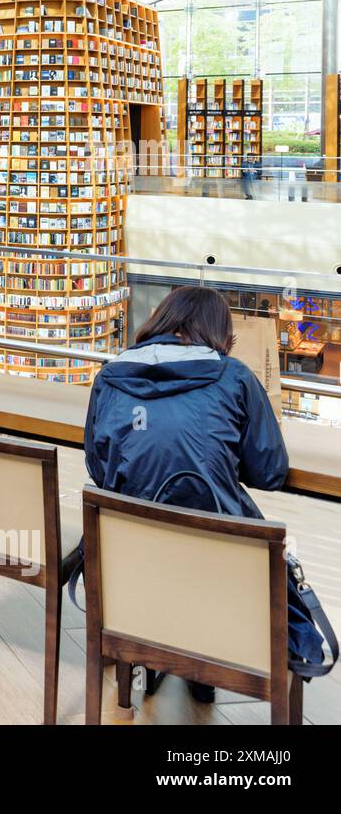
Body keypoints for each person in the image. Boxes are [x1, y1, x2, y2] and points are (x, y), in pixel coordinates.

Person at [84, 285, 325, 699]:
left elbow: (100, 468)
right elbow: (270, 471)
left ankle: (148, 647)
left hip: (132, 565)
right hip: (221, 571)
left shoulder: (110, 377)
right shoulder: (233, 377)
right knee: (218, 526)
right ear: (220, 334)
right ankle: (203, 670)